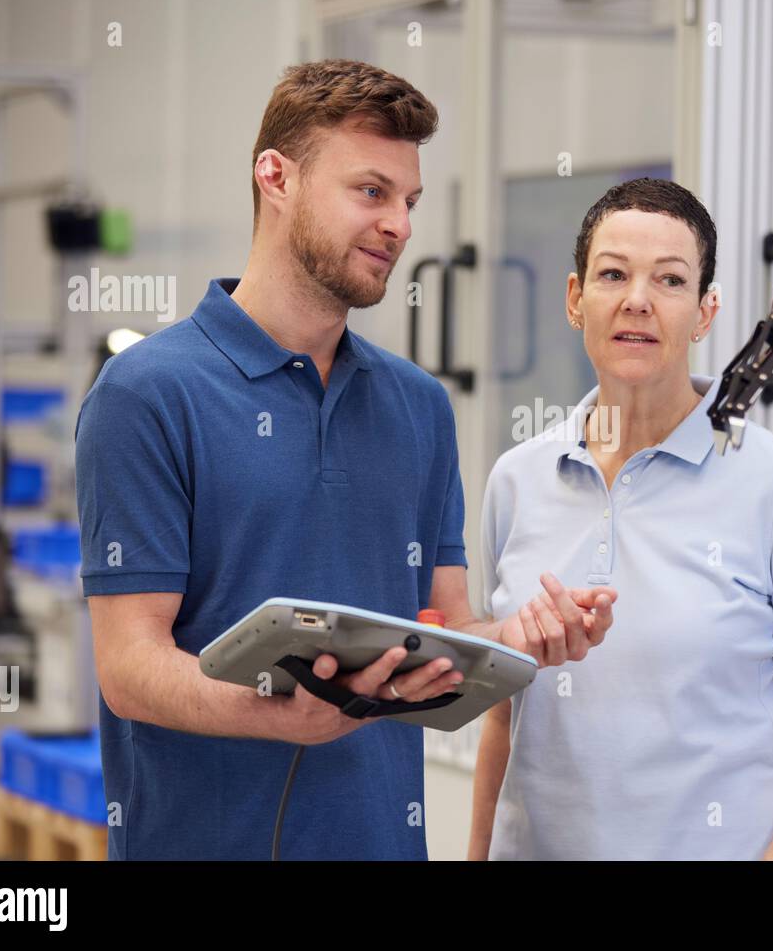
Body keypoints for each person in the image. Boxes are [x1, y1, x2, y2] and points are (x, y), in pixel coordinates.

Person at [75, 60, 616, 860]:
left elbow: (446, 621)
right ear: (276, 177)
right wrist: (278, 714)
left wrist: (516, 639)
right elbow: (129, 665)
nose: (399, 223)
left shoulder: (417, 406)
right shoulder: (147, 394)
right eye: (371, 191)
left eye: (410, 201)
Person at [468, 178, 773, 860]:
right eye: (613, 274)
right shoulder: (516, 479)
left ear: (705, 310)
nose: (637, 299)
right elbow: (503, 722)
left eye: (669, 279)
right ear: (576, 299)